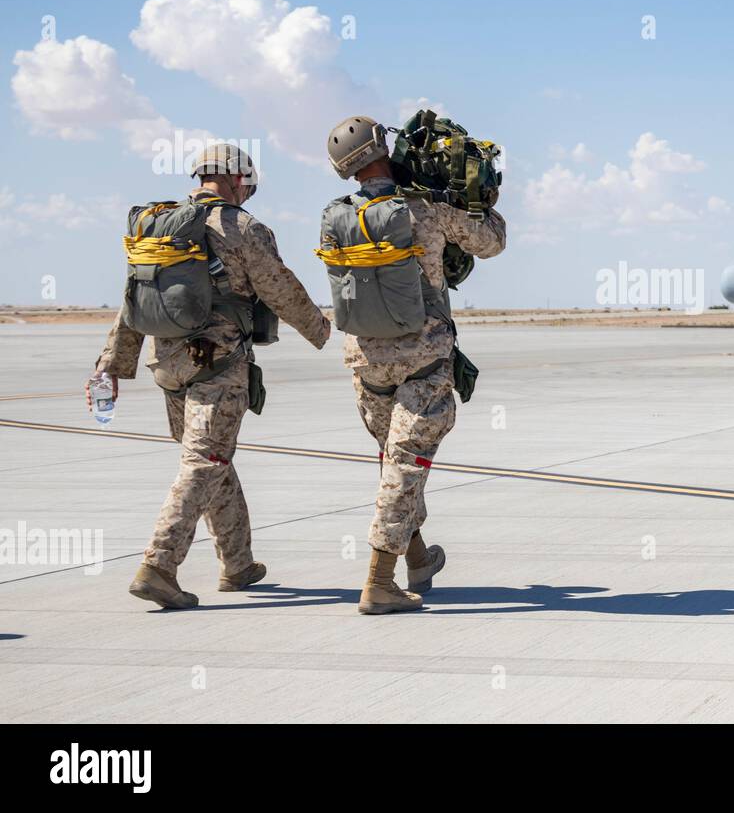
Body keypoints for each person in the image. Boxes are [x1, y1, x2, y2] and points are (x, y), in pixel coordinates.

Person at [88, 144, 331, 609]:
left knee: (214, 459)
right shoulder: (243, 228)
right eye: (249, 186)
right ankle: (159, 566)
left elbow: (131, 303)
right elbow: (279, 286)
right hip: (218, 366)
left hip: (170, 367)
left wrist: (111, 367)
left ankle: (237, 564)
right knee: (204, 463)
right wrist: (320, 329)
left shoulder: (159, 226)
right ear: (238, 180)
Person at [323, 116, 506, 614]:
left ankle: (419, 560)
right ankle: (379, 581)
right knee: (406, 465)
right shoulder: (425, 211)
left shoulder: (336, 216)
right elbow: (490, 242)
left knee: (395, 464)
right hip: (422, 359)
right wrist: (483, 199)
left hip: (366, 361)